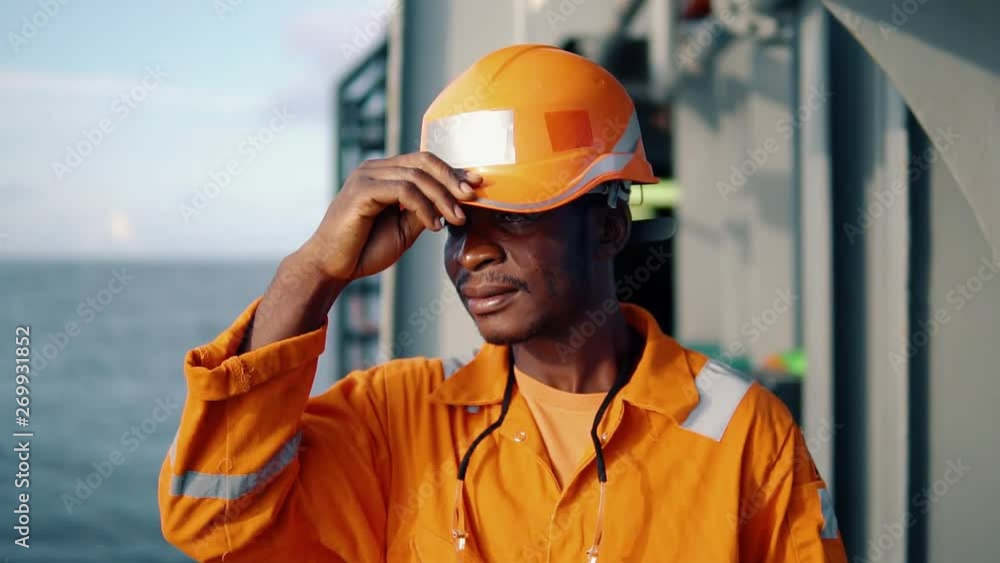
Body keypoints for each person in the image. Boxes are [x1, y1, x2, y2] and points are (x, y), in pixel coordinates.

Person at [158, 44, 847, 562]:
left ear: (608, 226)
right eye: (456, 224)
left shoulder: (741, 431)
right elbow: (211, 518)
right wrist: (315, 269)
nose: (472, 252)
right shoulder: (394, 418)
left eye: (515, 217)